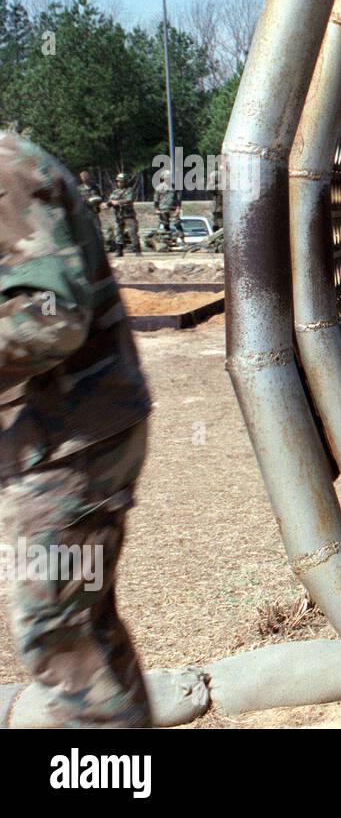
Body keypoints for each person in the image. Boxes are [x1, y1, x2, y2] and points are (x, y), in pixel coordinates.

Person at [0, 132, 154, 726]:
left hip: (69, 443)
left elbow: (52, 316)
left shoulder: (7, 173)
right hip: (45, 436)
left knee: (60, 636)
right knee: (82, 627)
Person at [106, 172, 141, 257]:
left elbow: (129, 200)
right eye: (118, 181)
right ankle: (119, 250)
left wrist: (117, 202)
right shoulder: (115, 192)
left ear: (125, 182)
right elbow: (110, 201)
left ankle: (137, 250)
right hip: (118, 215)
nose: (119, 183)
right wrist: (110, 203)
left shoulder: (129, 190)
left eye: (121, 181)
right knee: (118, 233)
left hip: (128, 215)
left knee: (132, 232)